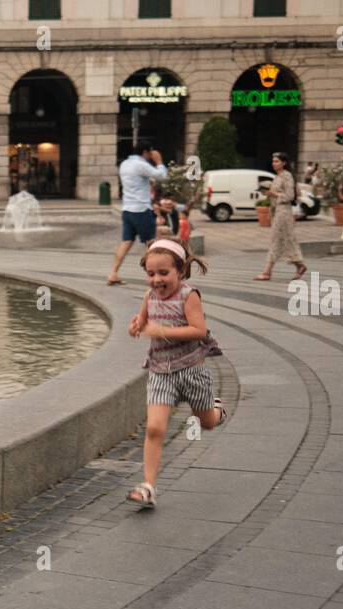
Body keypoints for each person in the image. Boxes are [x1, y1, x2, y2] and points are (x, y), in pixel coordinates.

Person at [125, 239, 224, 509]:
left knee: (207, 422)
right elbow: (142, 323)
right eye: (150, 273)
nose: (156, 279)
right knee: (154, 428)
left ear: (180, 271)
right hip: (160, 372)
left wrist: (163, 331)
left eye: (163, 273)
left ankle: (217, 410)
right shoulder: (149, 297)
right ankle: (148, 486)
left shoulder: (189, 296)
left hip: (192, 371)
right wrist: (135, 327)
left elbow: (199, 330)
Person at [107, 140, 168, 286]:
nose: (151, 155)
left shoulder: (124, 164)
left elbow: (146, 179)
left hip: (127, 209)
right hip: (141, 209)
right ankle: (153, 277)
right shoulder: (141, 165)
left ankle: (113, 273)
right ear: (145, 152)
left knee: (126, 241)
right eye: (150, 152)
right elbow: (162, 176)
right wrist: (159, 161)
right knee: (151, 243)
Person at [255, 152, 307, 280]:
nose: (274, 163)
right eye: (273, 161)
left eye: (277, 161)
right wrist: (268, 194)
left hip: (284, 212)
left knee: (278, 240)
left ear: (284, 163)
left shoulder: (287, 176)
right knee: (283, 240)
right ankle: (299, 265)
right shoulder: (278, 176)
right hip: (277, 211)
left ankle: (267, 272)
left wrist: (273, 194)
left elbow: (290, 196)